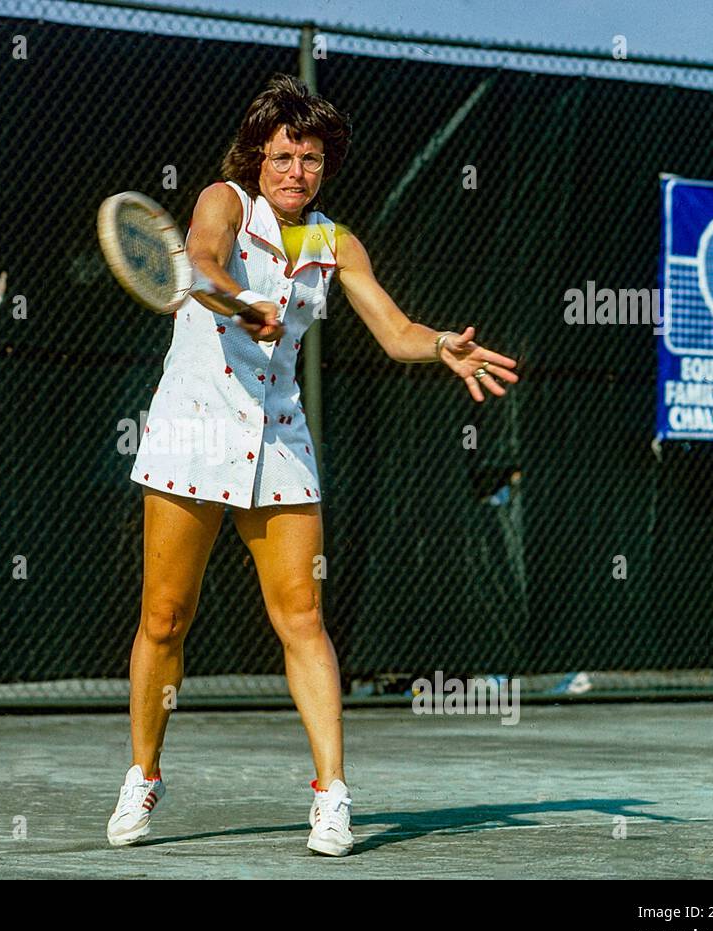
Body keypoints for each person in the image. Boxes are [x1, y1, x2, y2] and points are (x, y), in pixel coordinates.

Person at [108, 74, 519, 857]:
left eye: (314, 160)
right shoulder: (225, 200)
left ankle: (332, 796)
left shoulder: (329, 242)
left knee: (302, 618)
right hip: (192, 430)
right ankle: (143, 774)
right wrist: (238, 300)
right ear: (259, 154)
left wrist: (439, 346)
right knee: (165, 618)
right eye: (287, 155)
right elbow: (199, 260)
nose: (299, 172)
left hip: (281, 439)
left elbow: (393, 329)